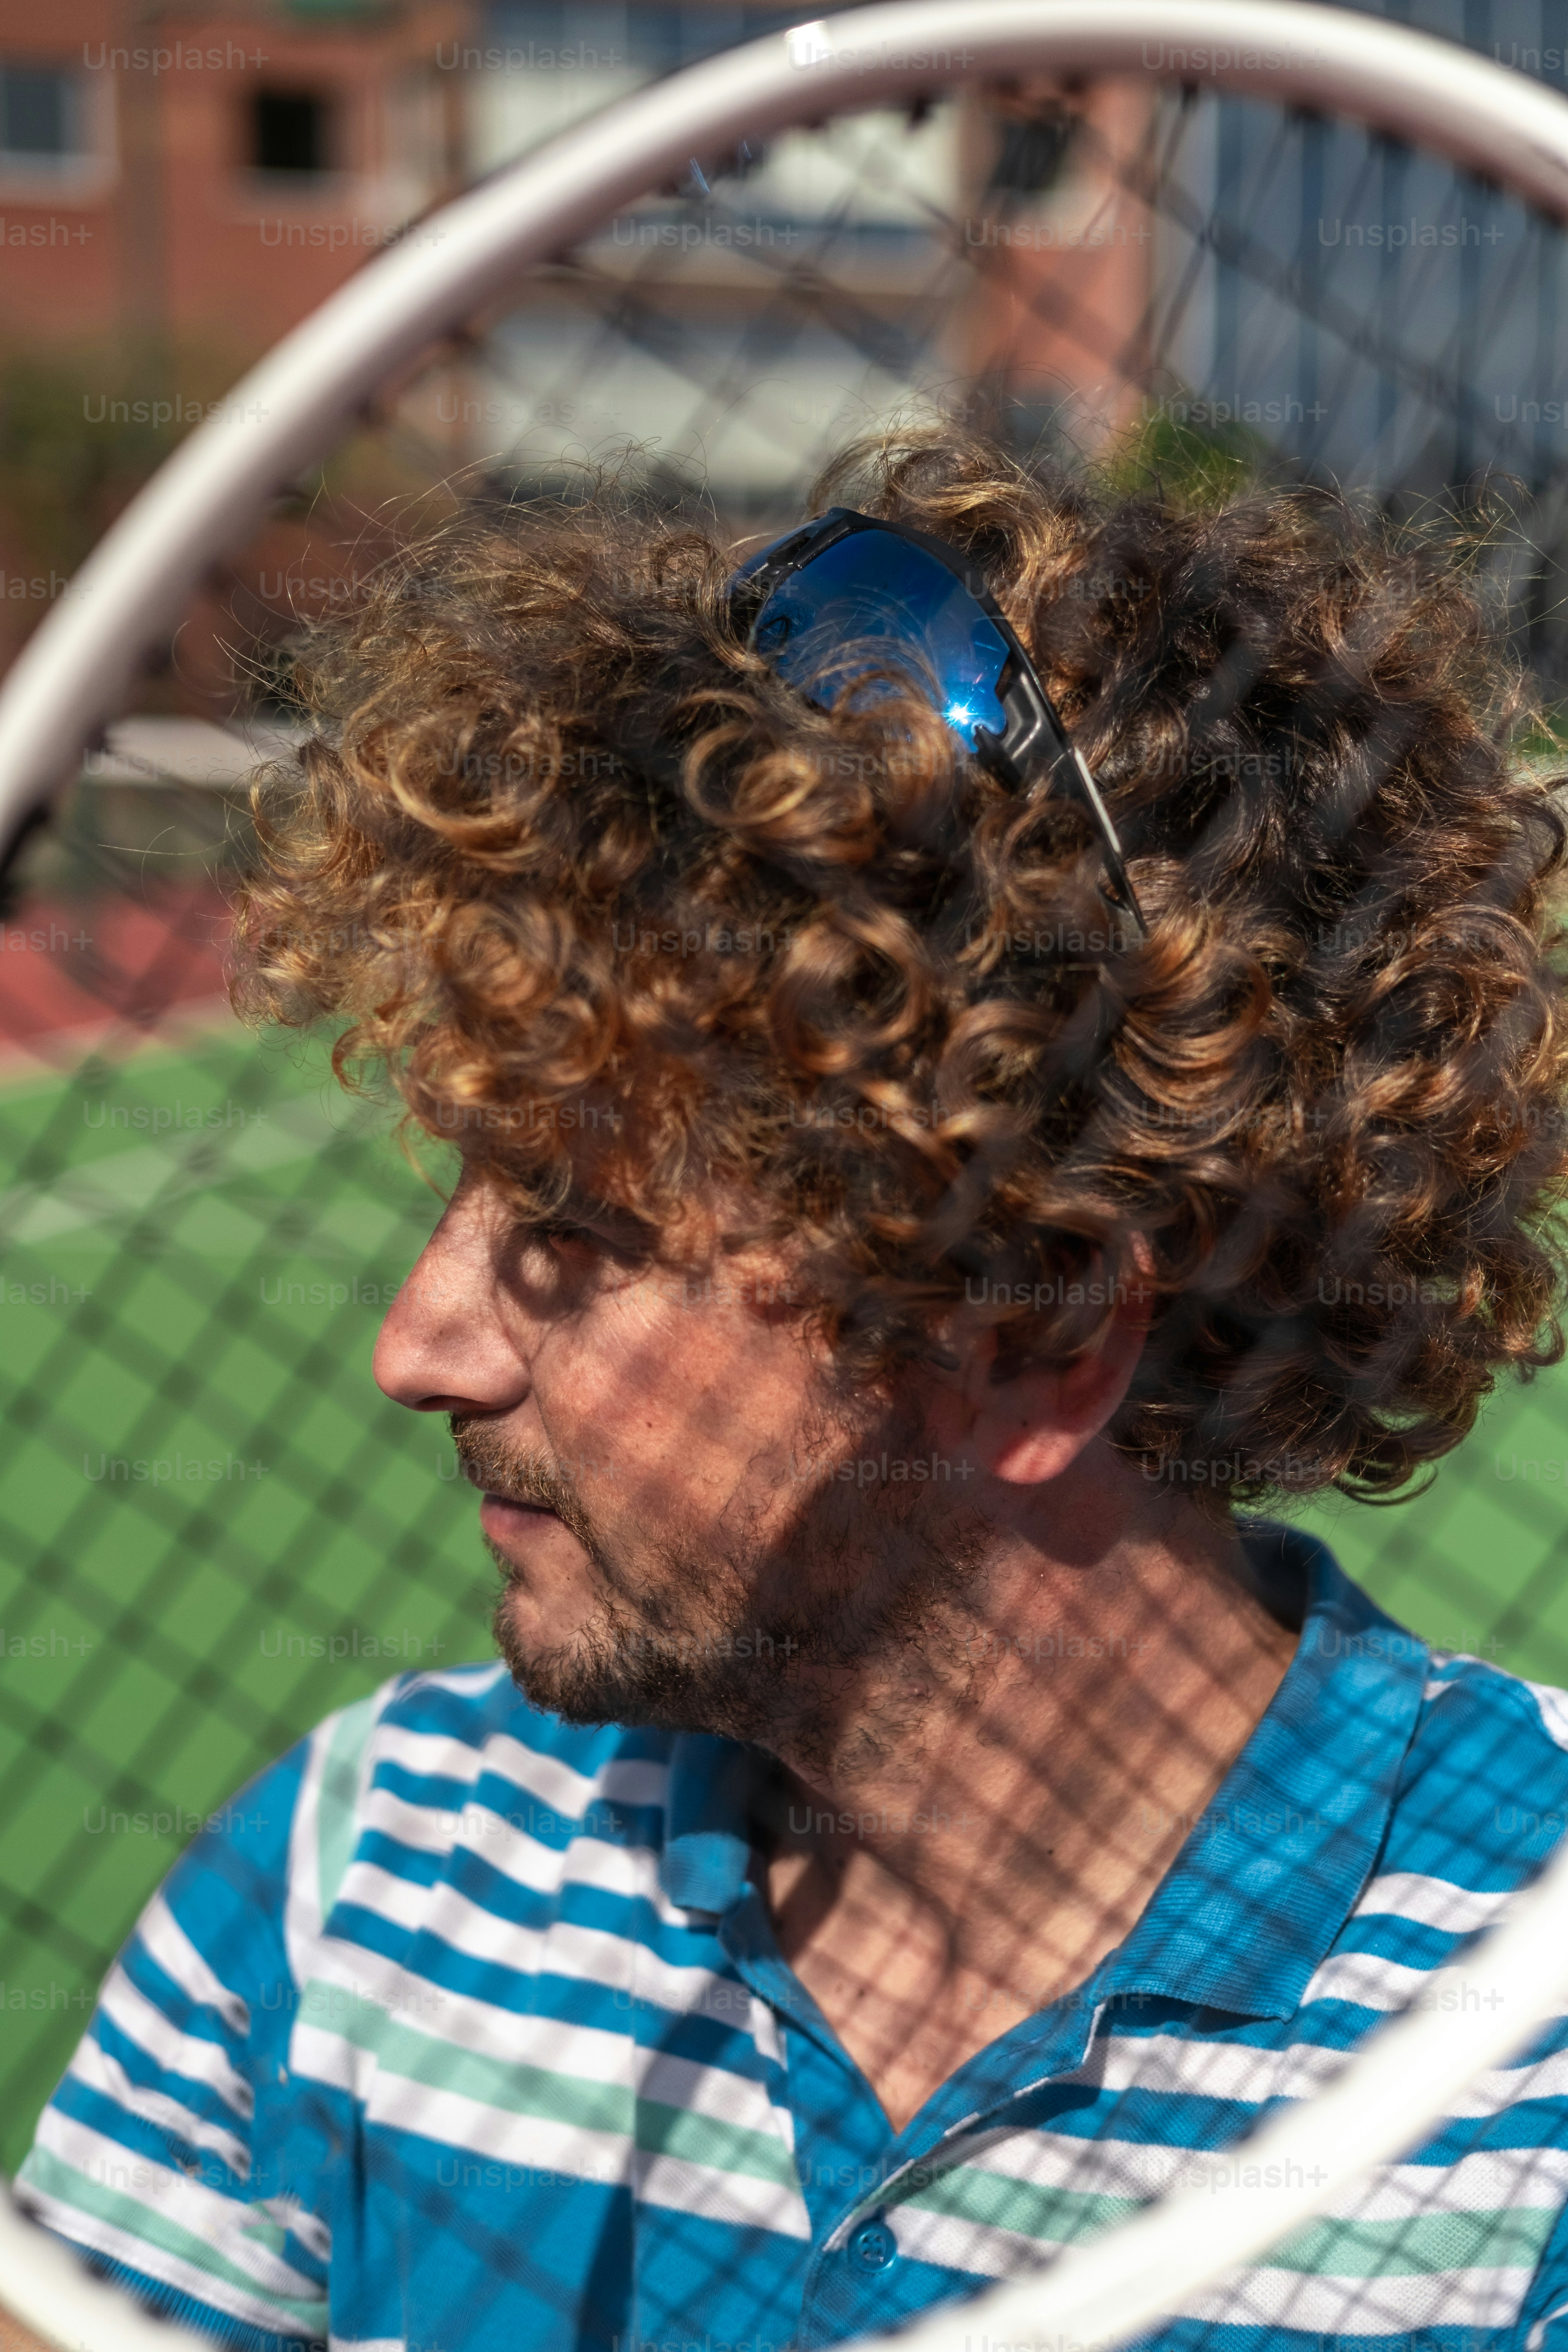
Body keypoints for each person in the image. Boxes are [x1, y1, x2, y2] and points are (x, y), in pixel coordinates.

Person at [14, 425, 1568, 2352]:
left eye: (577, 1231)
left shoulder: (1529, 2064)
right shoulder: (355, 1883)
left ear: (1024, 1341)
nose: (414, 1347)